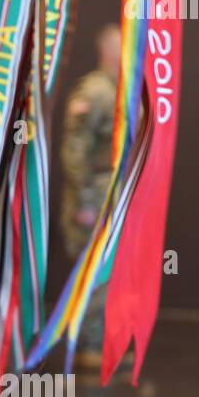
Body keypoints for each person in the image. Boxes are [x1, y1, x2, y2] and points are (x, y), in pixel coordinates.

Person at [59, 24, 121, 370]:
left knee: (108, 272)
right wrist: (82, 201)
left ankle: (101, 343)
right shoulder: (95, 91)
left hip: (110, 197)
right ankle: (87, 347)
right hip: (92, 198)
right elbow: (75, 149)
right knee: (93, 272)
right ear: (111, 50)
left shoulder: (120, 89)